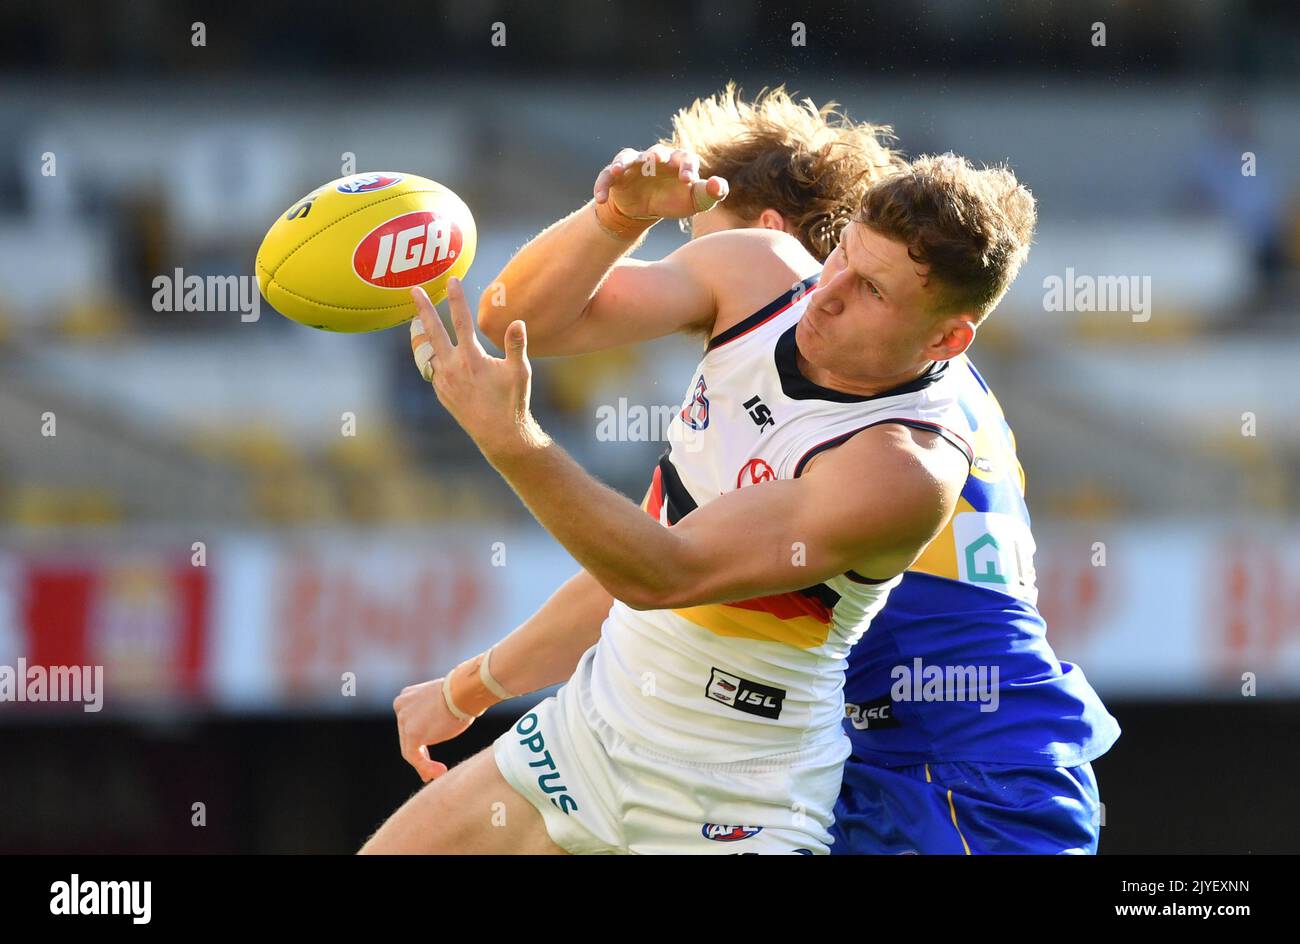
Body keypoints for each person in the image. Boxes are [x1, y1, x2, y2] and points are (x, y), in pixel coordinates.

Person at [361, 133, 1039, 853]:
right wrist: (615, 223)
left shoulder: (904, 467)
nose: (828, 292)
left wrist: (511, 440)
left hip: (739, 802)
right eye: (843, 251)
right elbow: (516, 321)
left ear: (946, 342)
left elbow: (665, 572)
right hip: (587, 734)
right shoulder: (762, 270)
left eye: (871, 291)